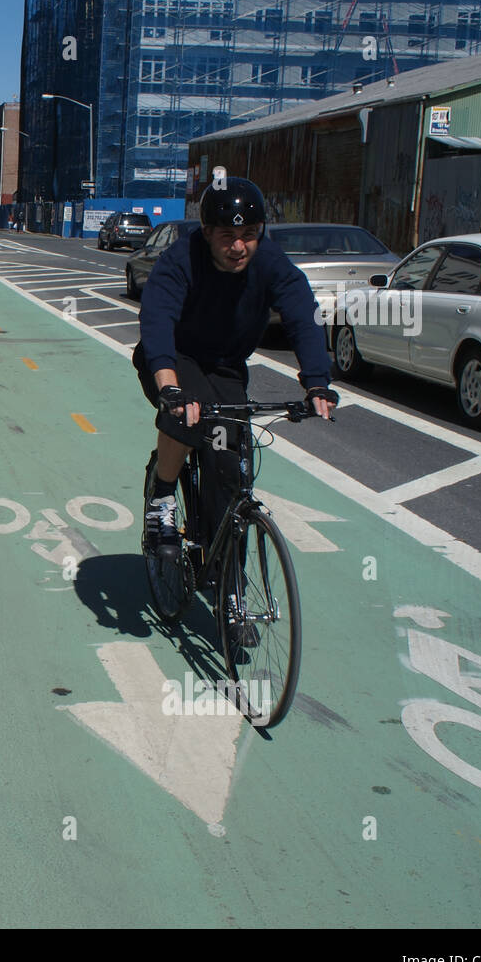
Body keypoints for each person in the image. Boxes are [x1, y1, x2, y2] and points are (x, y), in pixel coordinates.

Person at [133, 177, 338, 632]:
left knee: (230, 471)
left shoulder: (269, 261)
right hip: (173, 358)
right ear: (207, 233)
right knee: (188, 415)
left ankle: (231, 591)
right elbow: (157, 320)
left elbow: (301, 314)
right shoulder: (180, 259)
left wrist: (317, 383)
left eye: (249, 235)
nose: (239, 246)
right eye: (228, 236)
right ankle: (163, 495)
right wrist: (169, 387)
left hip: (225, 366)